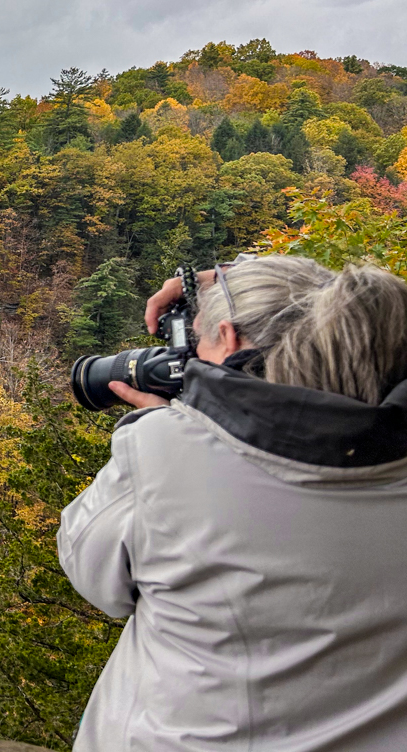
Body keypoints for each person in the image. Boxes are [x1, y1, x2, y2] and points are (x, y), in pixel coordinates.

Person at [58, 254, 407, 750]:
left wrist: (153, 427)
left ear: (229, 337)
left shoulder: (165, 454)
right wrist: (259, 287)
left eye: (194, 342)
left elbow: (93, 577)